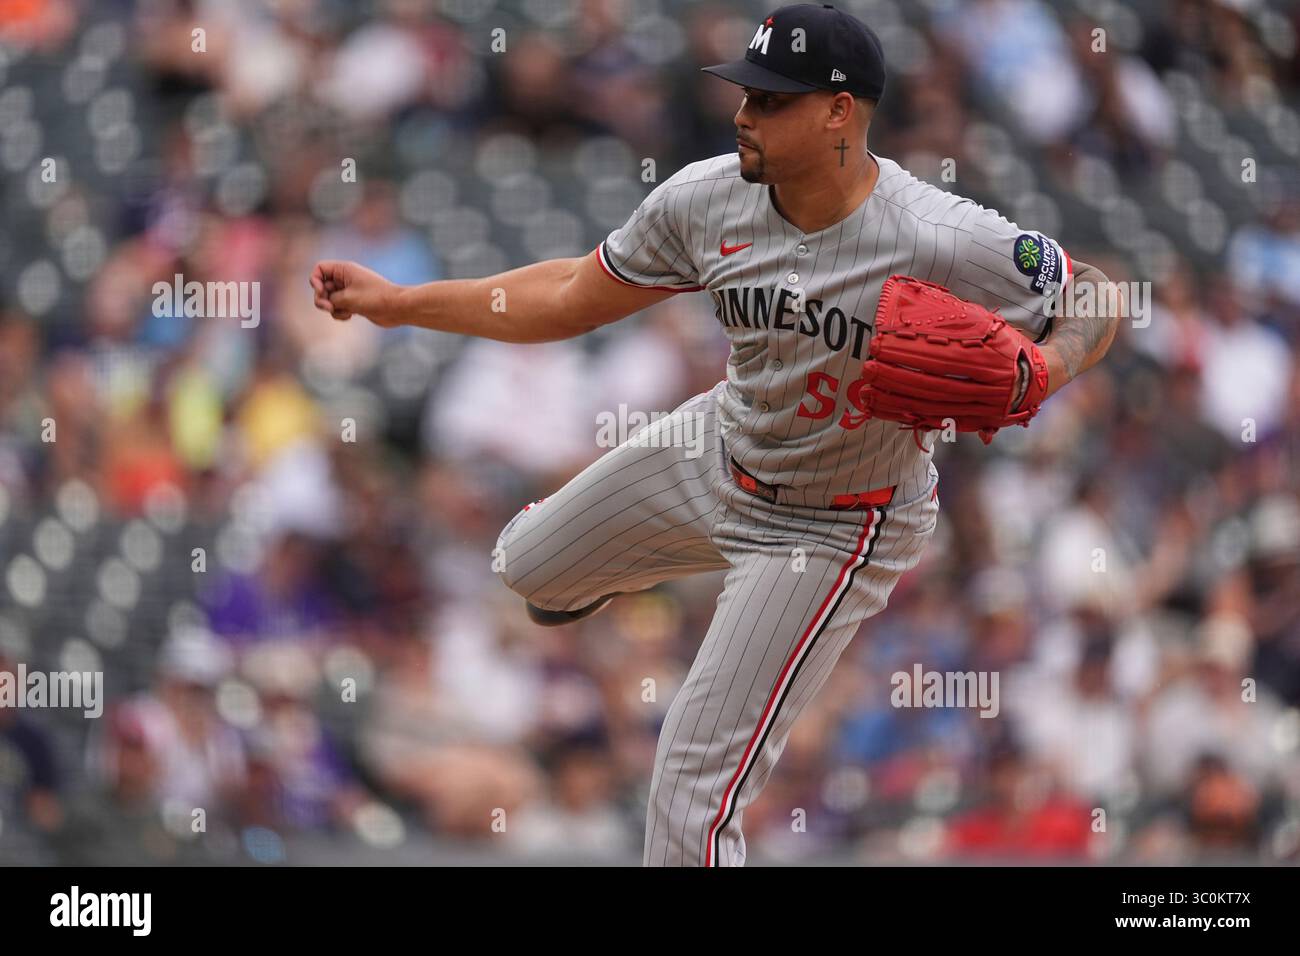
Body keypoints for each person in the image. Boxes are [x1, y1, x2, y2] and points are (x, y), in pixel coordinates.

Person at [308, 3, 1122, 866]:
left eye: (772, 99)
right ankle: (613, 566)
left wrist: (1052, 367)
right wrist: (399, 305)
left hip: (836, 519)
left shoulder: (938, 235)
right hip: (722, 442)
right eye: (745, 92)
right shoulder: (705, 198)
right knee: (525, 567)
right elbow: (567, 296)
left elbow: (1096, 293)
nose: (743, 112)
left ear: (839, 113)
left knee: (691, 783)